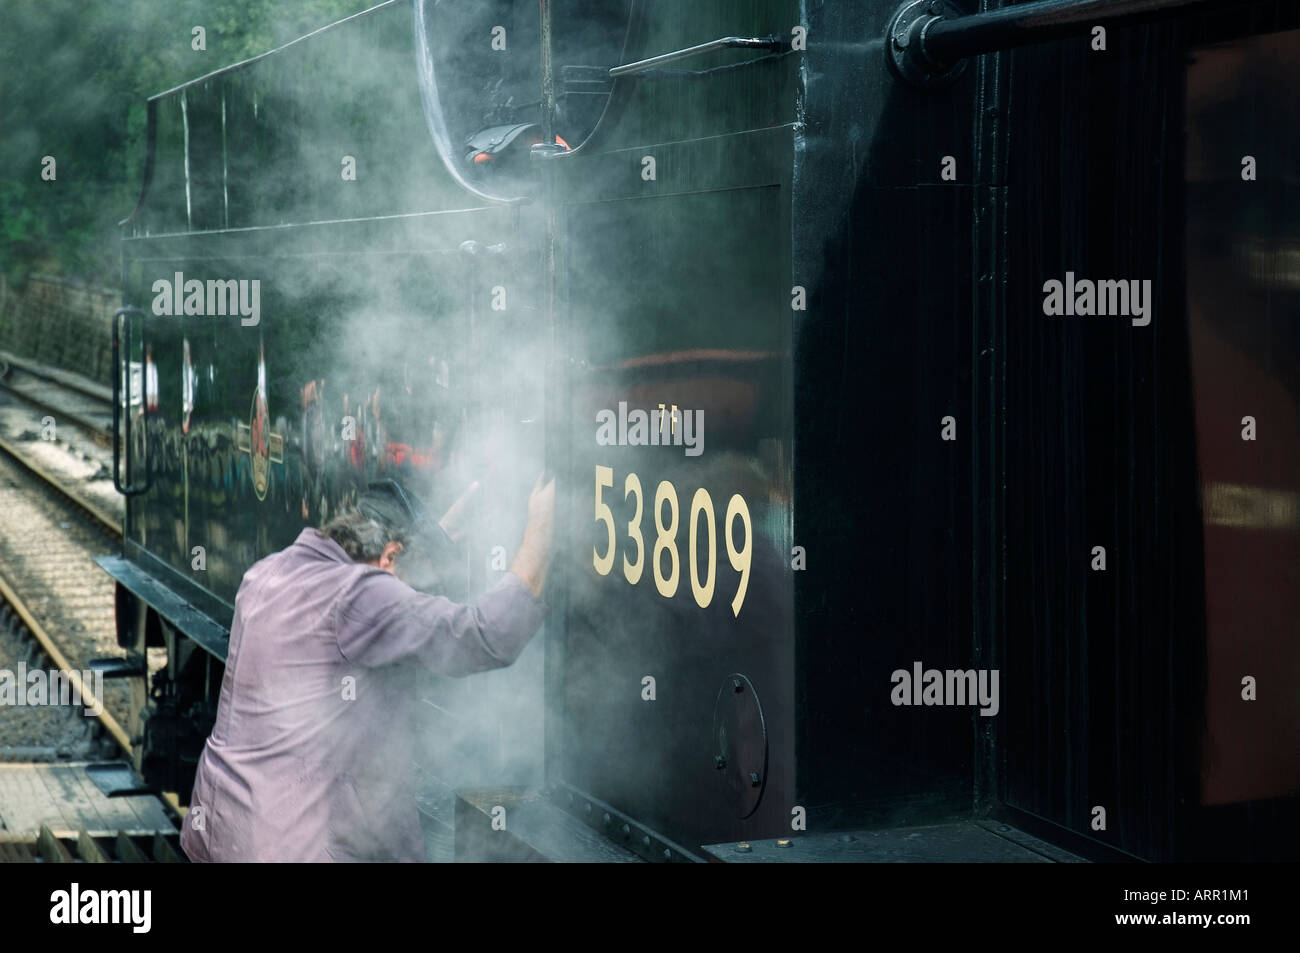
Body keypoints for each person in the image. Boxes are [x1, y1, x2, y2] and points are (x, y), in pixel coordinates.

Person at [180, 474, 555, 862]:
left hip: (223, 829)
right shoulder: (362, 592)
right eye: (408, 580)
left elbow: (383, 599)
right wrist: (541, 525)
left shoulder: (267, 574)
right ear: (388, 557)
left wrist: (440, 538)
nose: (411, 593)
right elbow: (487, 634)